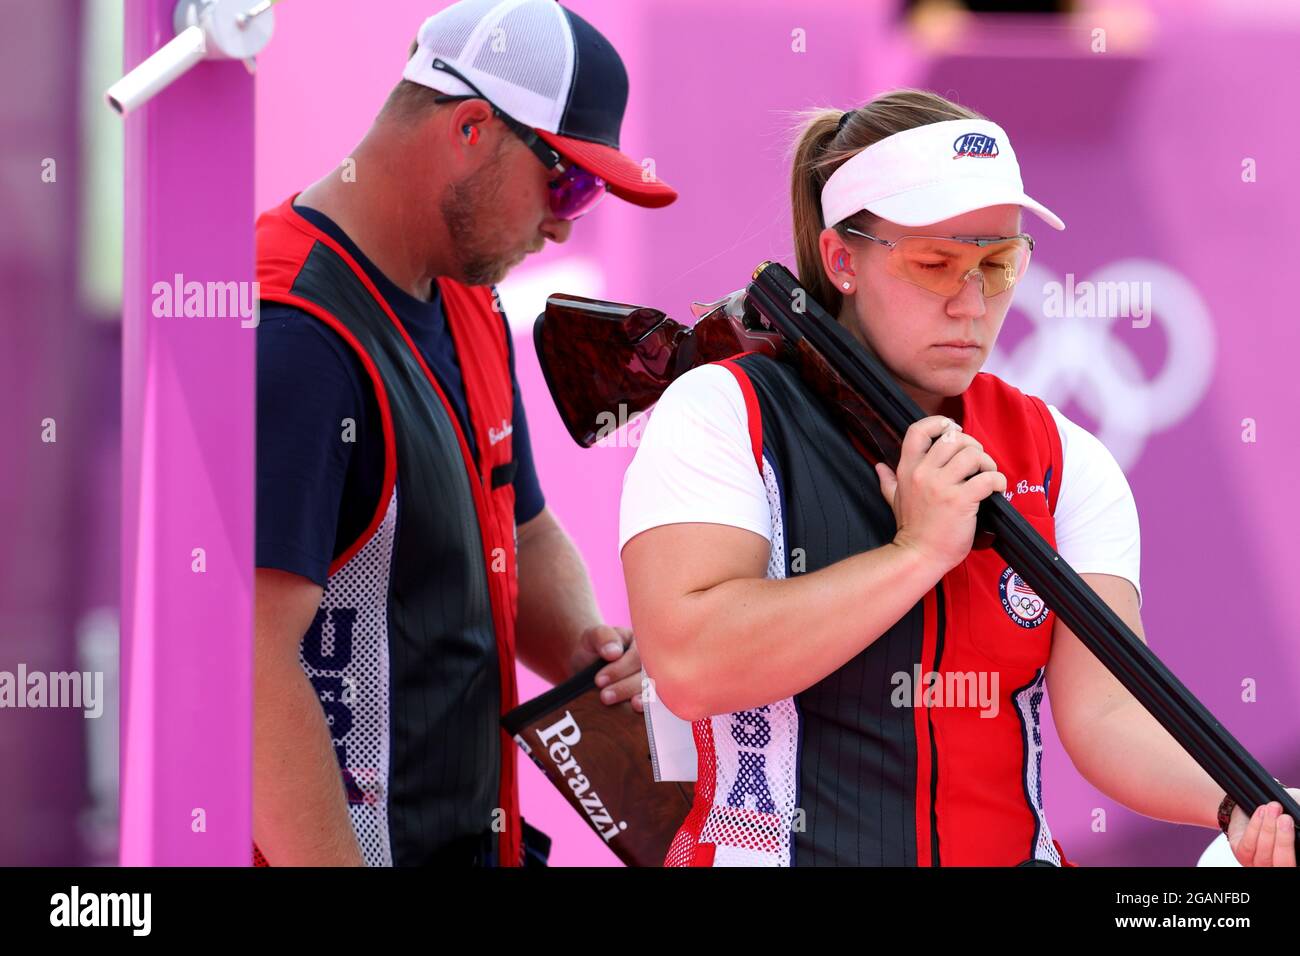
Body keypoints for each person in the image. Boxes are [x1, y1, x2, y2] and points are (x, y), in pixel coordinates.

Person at [619, 90, 1297, 867]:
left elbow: (1107, 712)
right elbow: (694, 666)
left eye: (998, 264)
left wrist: (1244, 802)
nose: (972, 304)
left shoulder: (1063, 454)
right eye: (935, 264)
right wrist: (916, 554)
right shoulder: (720, 410)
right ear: (841, 259)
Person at [253, 0, 673, 867]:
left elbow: (517, 519)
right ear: (474, 127)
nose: (565, 222)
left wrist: (584, 645)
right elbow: (248, 665)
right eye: (570, 182)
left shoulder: (468, 297)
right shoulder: (295, 332)